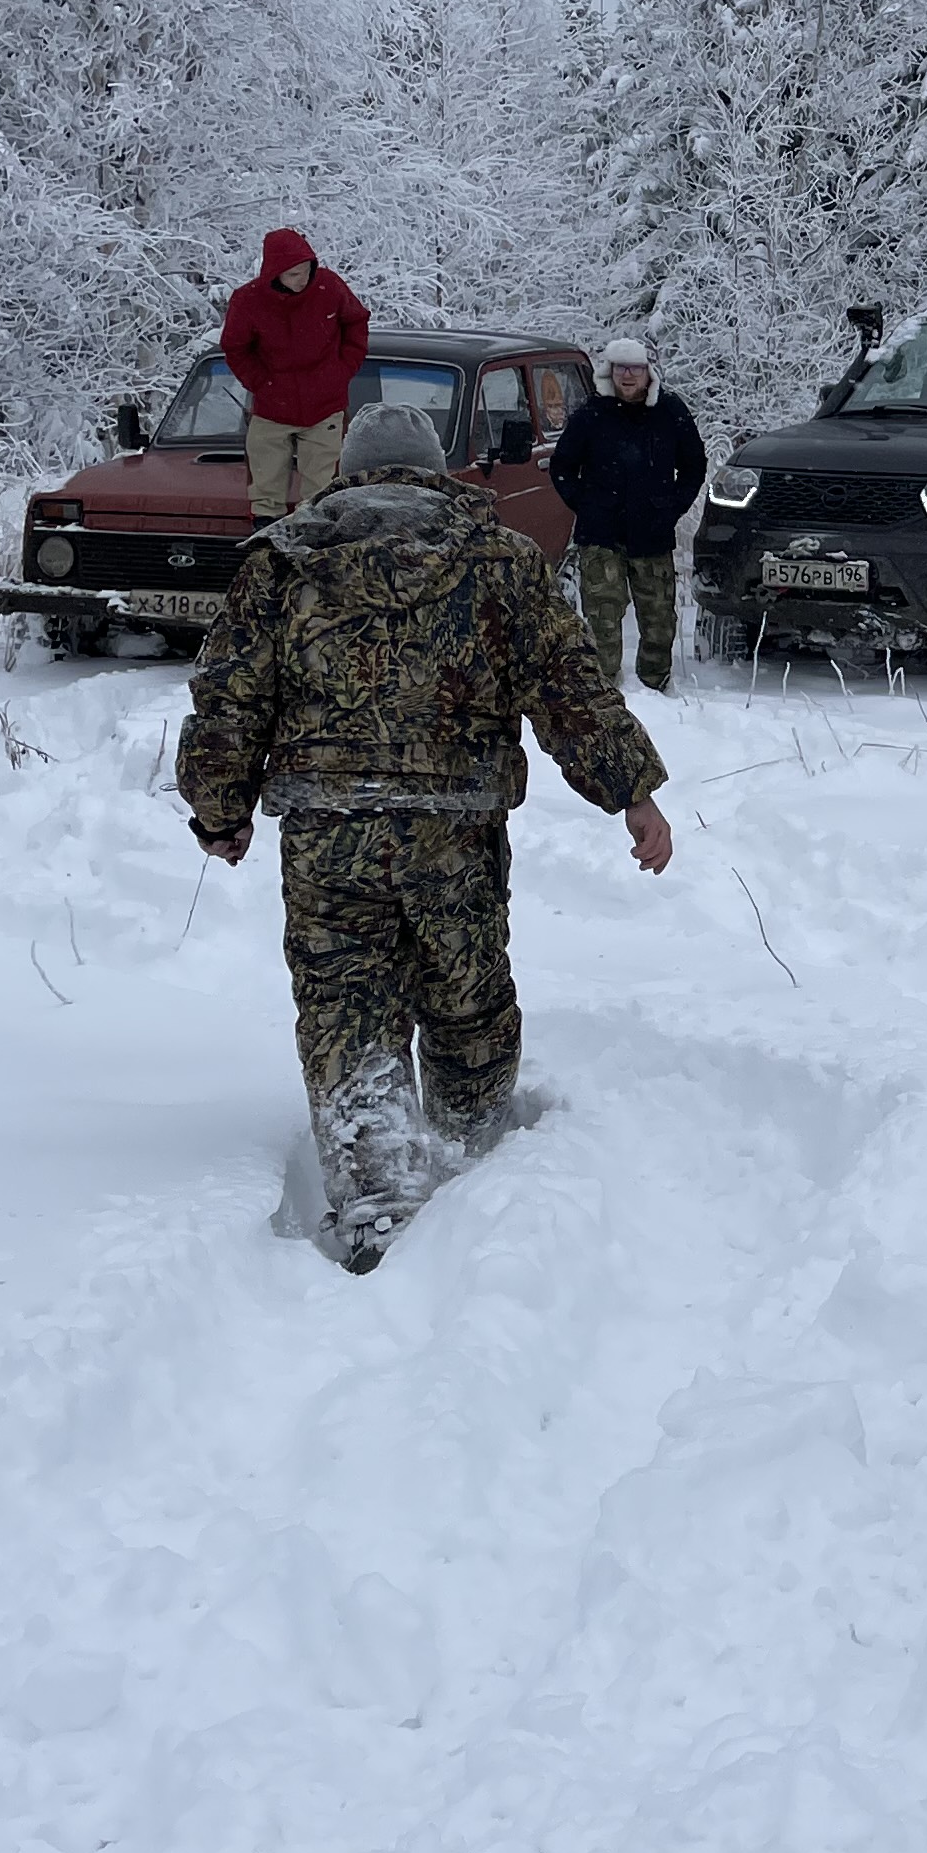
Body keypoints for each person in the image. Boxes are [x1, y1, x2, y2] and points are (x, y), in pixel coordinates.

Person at [178, 399, 675, 1273]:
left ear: (351, 471)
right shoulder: (502, 560)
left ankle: (377, 1197)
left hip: (329, 829)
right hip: (455, 829)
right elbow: (572, 689)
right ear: (436, 471)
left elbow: (230, 697)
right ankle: (474, 1158)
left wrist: (220, 811)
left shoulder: (284, 560)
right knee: (466, 995)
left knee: (344, 1005)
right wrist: (631, 793)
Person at [546, 337, 708, 691]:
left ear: (648, 371)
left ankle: (655, 686)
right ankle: (604, 690)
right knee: (601, 618)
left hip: (653, 534)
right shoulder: (590, 415)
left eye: (635, 368)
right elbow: (562, 466)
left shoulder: (670, 412)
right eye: (621, 368)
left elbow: (695, 467)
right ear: (610, 372)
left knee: (659, 620)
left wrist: (672, 507)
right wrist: (585, 505)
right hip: (600, 537)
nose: (628, 376)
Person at [219, 228, 373, 524]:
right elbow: (235, 349)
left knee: (322, 490)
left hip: (325, 405)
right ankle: (265, 541)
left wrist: (342, 370)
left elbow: (357, 323)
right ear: (273, 273)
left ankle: (314, 541)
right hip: (272, 407)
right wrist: (262, 383)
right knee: (265, 487)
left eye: (305, 271)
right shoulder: (248, 301)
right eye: (293, 274)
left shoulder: (329, 287)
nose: (302, 279)